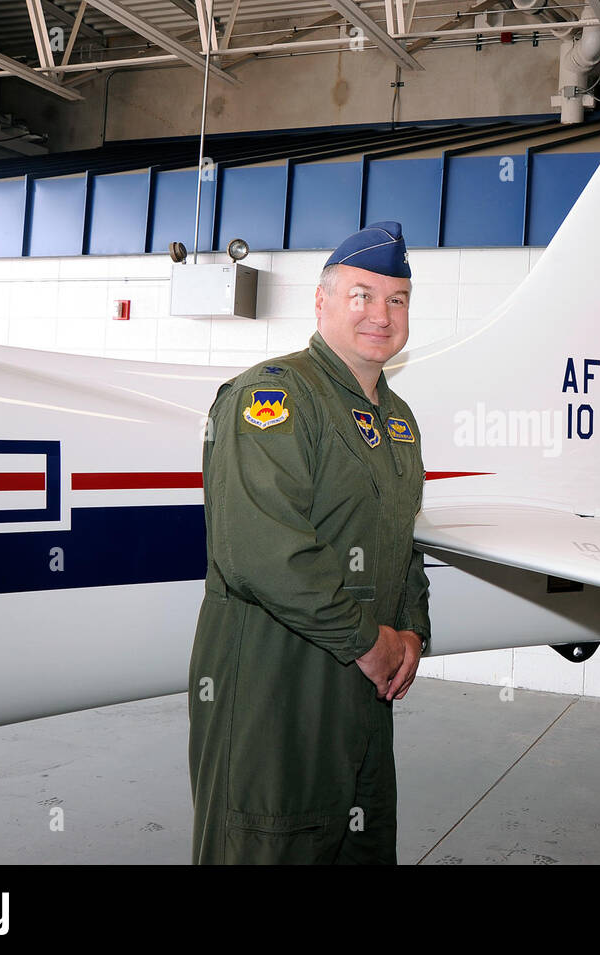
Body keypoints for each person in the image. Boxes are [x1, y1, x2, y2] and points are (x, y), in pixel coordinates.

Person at [188, 221, 430, 865]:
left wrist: (411, 635)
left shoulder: (397, 421)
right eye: (361, 295)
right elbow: (261, 552)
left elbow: (404, 545)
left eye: (397, 299)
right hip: (277, 694)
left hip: (365, 694)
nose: (381, 314)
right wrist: (368, 641)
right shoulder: (273, 396)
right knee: (270, 844)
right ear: (320, 302)